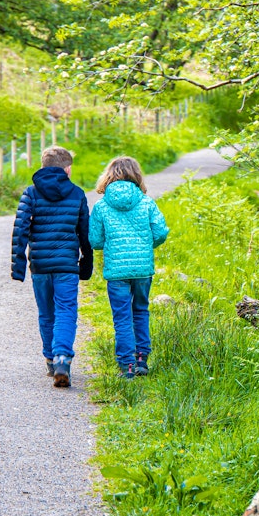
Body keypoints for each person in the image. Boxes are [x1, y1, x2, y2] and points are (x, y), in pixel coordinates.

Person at [11, 146, 93, 388]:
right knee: (66, 311)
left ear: (43, 166)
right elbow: (85, 234)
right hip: (67, 266)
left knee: (46, 313)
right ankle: (62, 358)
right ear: (67, 169)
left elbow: (20, 230)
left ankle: (50, 359)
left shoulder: (31, 193)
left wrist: (18, 265)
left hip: (40, 266)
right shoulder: (77, 194)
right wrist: (86, 264)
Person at [89, 156, 169, 379]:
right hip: (143, 269)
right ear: (137, 175)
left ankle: (127, 365)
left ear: (108, 175)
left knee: (122, 317)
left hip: (117, 271)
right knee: (141, 310)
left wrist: (110, 244)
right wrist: (146, 246)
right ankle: (142, 358)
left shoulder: (102, 206)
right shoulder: (147, 202)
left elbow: (95, 241)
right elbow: (161, 232)